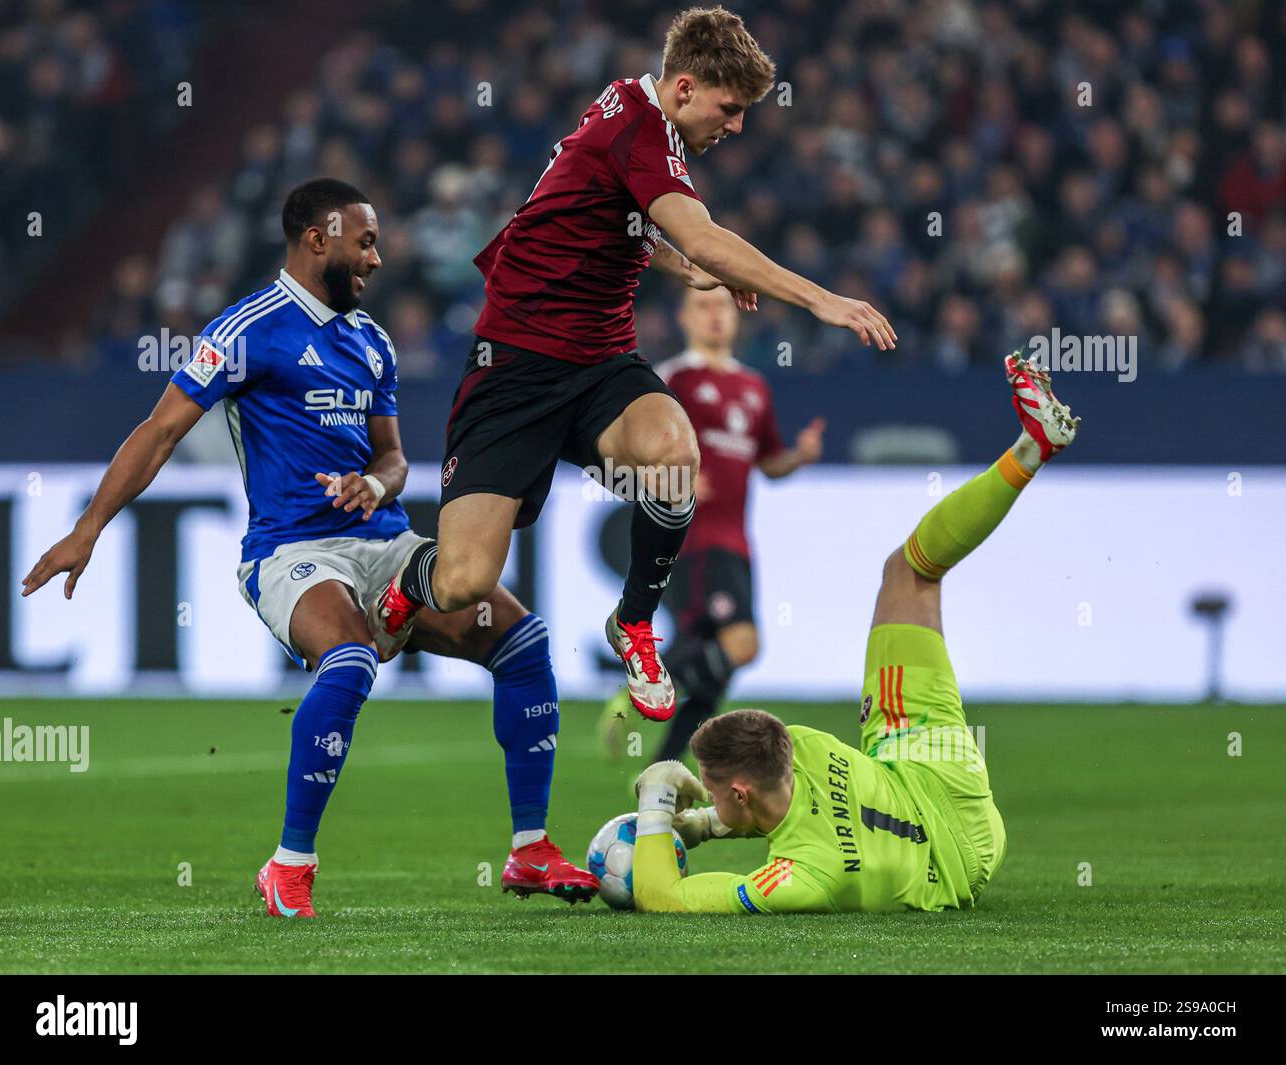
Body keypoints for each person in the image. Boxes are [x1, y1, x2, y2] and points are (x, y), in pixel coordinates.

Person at [21, 178, 599, 916]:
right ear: (316, 238)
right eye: (365, 242)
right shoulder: (245, 329)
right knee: (352, 658)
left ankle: (529, 849)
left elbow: (393, 458)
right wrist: (88, 527)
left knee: (523, 641)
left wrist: (377, 485)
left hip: (380, 538)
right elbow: (159, 431)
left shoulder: (372, 341)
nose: (378, 259)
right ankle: (290, 863)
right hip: (292, 552)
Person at [370, 6, 895, 725]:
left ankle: (635, 622)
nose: (736, 126)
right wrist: (819, 298)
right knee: (463, 583)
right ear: (683, 88)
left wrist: (675, 265)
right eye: (730, 108)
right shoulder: (640, 130)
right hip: (514, 369)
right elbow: (702, 233)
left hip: (599, 362)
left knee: (673, 452)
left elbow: (598, 212)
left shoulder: (630, 102)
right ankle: (406, 578)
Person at [628, 352, 1080, 913]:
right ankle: (1029, 452)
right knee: (911, 571)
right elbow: (763, 799)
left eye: (717, 789)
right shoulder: (801, 745)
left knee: (911, 573)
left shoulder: (801, 879)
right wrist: (705, 821)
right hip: (933, 772)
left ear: (739, 792)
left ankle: (1032, 449)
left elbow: (658, 895)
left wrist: (657, 800)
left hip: (962, 841)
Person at [602, 284, 825, 761]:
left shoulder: (753, 387)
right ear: (684, 317)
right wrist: (667, 475)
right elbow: (631, 442)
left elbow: (767, 464)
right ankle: (635, 695)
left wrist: (798, 457)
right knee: (741, 643)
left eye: (723, 305)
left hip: (737, 541)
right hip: (693, 541)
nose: (715, 315)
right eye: (703, 305)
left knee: (714, 672)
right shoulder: (672, 378)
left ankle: (660, 775)